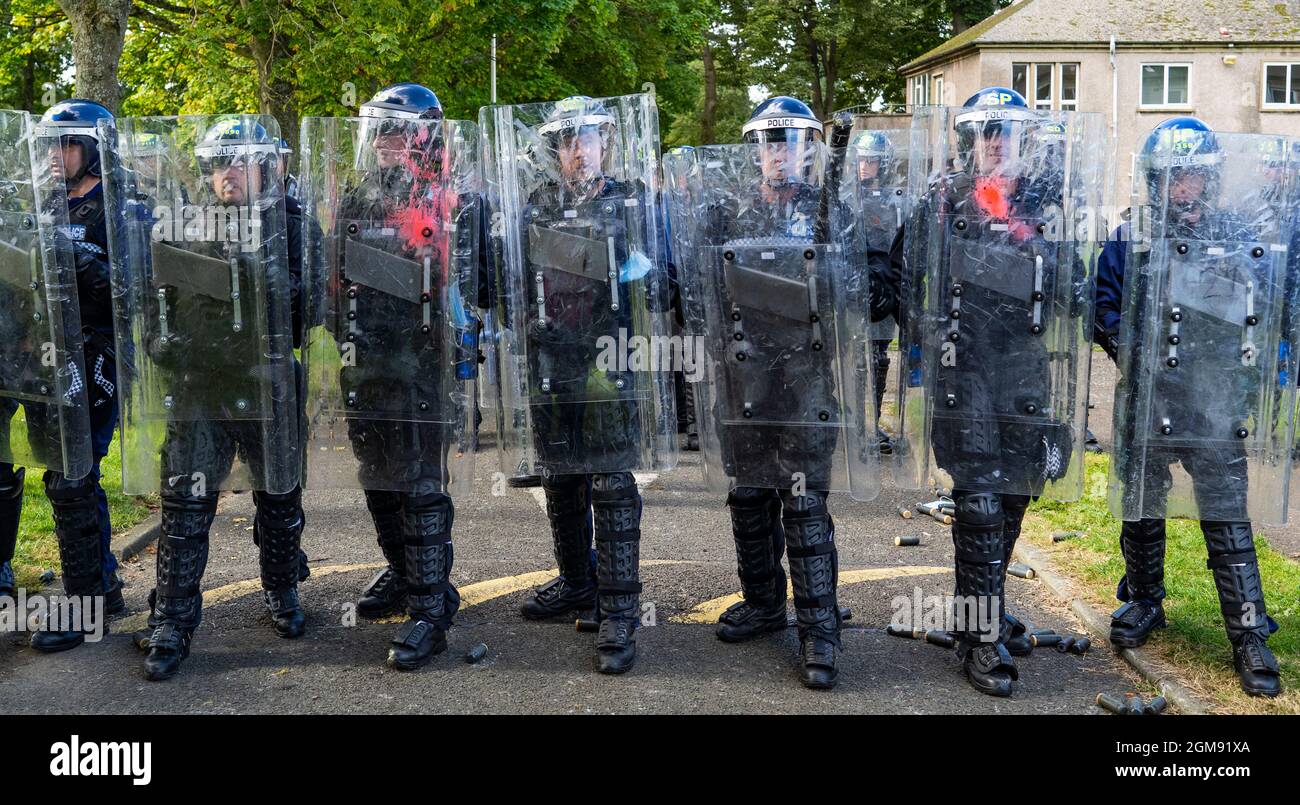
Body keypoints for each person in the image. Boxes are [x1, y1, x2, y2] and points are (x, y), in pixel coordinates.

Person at [666, 97, 894, 688]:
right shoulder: (726, 213)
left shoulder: (833, 213)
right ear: (754, 152)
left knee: (804, 502)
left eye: (789, 142)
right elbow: (698, 290)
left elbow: (865, 295)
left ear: (807, 151)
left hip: (807, 379)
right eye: (768, 143)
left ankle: (819, 631)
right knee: (748, 498)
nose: (778, 153)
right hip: (745, 375)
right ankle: (765, 603)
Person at [906, 88, 1098, 696]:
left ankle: (978, 614)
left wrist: (1030, 237)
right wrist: (931, 344)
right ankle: (982, 638)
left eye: (1004, 131)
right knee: (979, 499)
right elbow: (907, 277)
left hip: (1025, 363)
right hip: (965, 365)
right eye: (985, 131)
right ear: (970, 139)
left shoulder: (1046, 200)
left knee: (1016, 493)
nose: (994, 141)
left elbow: (1074, 286)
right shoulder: (942, 196)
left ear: (1019, 139)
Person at [103, 115, 307, 680]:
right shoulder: (183, 223)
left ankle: (284, 590)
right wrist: (156, 339)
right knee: (186, 507)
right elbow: (151, 296)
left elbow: (311, 306)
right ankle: (170, 620)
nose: (228, 174)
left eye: (240, 162)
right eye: (219, 163)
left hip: (264, 384)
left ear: (265, 167)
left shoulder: (289, 224)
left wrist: (259, 274)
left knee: (279, 497)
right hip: (197, 387)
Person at [1098, 118, 1288, 697]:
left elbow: (1261, 304)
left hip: (1212, 401)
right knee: (1141, 506)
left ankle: (1250, 633)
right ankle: (1145, 601)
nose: (1186, 188)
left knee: (1228, 519)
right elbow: (1102, 305)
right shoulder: (1130, 237)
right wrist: (1131, 347)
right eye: (1176, 178)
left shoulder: (1237, 235)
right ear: (1159, 181)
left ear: (1210, 180)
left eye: (1195, 178)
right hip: (1148, 394)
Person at [485, 94, 675, 674]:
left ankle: (619, 610)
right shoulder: (535, 206)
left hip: (612, 356)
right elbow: (507, 284)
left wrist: (626, 266)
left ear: (605, 142)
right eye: (566, 142)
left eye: (586, 138)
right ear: (555, 151)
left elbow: (666, 284)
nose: (577, 150)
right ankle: (575, 581)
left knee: (613, 481)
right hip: (552, 358)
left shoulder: (634, 202)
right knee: (561, 476)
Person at [300, 83, 484, 669]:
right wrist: (334, 319)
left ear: (424, 138)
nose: (385, 143)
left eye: (398, 131)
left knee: (421, 483)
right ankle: (407, 576)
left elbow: (468, 285)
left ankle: (431, 612)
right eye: (378, 131)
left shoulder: (448, 200)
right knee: (376, 476)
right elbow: (331, 276)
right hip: (366, 362)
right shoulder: (356, 199)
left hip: (423, 367)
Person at [5, 101, 125, 651]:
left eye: (68, 144)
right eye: (49, 145)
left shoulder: (122, 206)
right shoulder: (31, 202)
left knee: (73, 476)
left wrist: (70, 257)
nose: (56, 156)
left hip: (95, 355)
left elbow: (132, 292)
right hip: (35, 357)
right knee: (38, 472)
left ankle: (87, 604)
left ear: (93, 147)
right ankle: (102, 587)